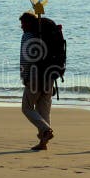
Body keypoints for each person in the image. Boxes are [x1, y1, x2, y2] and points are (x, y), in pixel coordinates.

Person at [20, 11, 54, 150]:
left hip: (34, 77)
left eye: (23, 23)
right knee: (43, 111)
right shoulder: (45, 36)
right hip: (50, 76)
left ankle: (46, 130)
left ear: (29, 23)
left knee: (27, 107)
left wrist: (25, 77)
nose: (21, 27)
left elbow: (26, 59)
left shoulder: (28, 36)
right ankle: (43, 142)